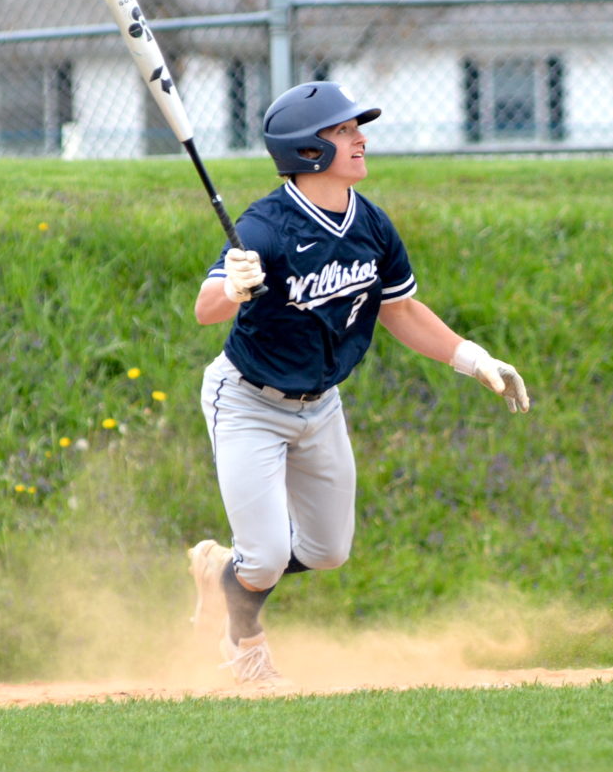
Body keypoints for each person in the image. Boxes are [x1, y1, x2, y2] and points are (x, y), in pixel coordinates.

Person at [187, 82, 531, 685]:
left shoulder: (370, 224)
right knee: (265, 557)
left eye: (355, 129)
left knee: (327, 551)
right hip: (247, 401)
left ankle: (222, 572)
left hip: (319, 406)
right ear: (307, 150)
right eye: (343, 131)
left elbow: (399, 310)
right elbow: (206, 308)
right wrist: (233, 285)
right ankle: (244, 645)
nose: (360, 139)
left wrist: (475, 359)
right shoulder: (265, 226)